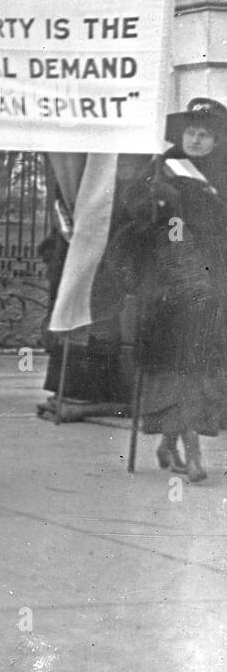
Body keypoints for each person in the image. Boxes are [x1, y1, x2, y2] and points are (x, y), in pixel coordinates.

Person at [115, 97, 227, 482]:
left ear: (217, 141)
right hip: (169, 280)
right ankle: (192, 456)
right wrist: (156, 203)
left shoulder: (222, 175)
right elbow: (134, 214)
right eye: (191, 132)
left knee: (197, 361)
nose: (195, 139)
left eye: (205, 134)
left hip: (213, 277)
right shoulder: (162, 168)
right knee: (179, 361)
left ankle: (169, 443)